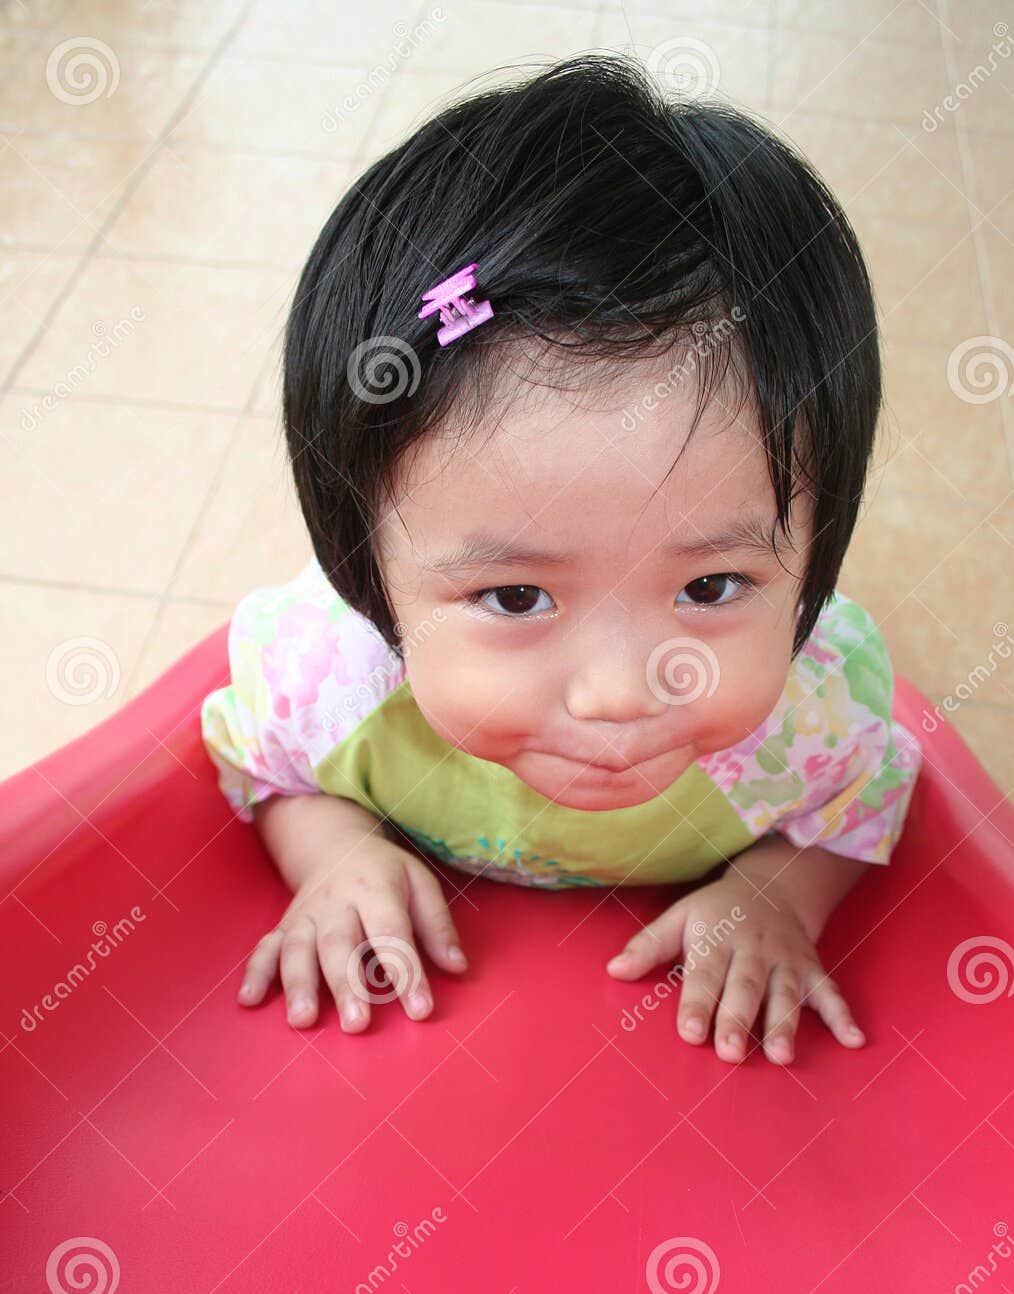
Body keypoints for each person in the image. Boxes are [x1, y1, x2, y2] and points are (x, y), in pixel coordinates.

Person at [201, 56, 921, 1064]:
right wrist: (331, 852)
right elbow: (260, 762)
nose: (618, 694)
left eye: (709, 586)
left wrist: (774, 894)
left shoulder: (812, 721)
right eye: (513, 596)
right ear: (367, 577)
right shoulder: (328, 685)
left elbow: (864, 793)